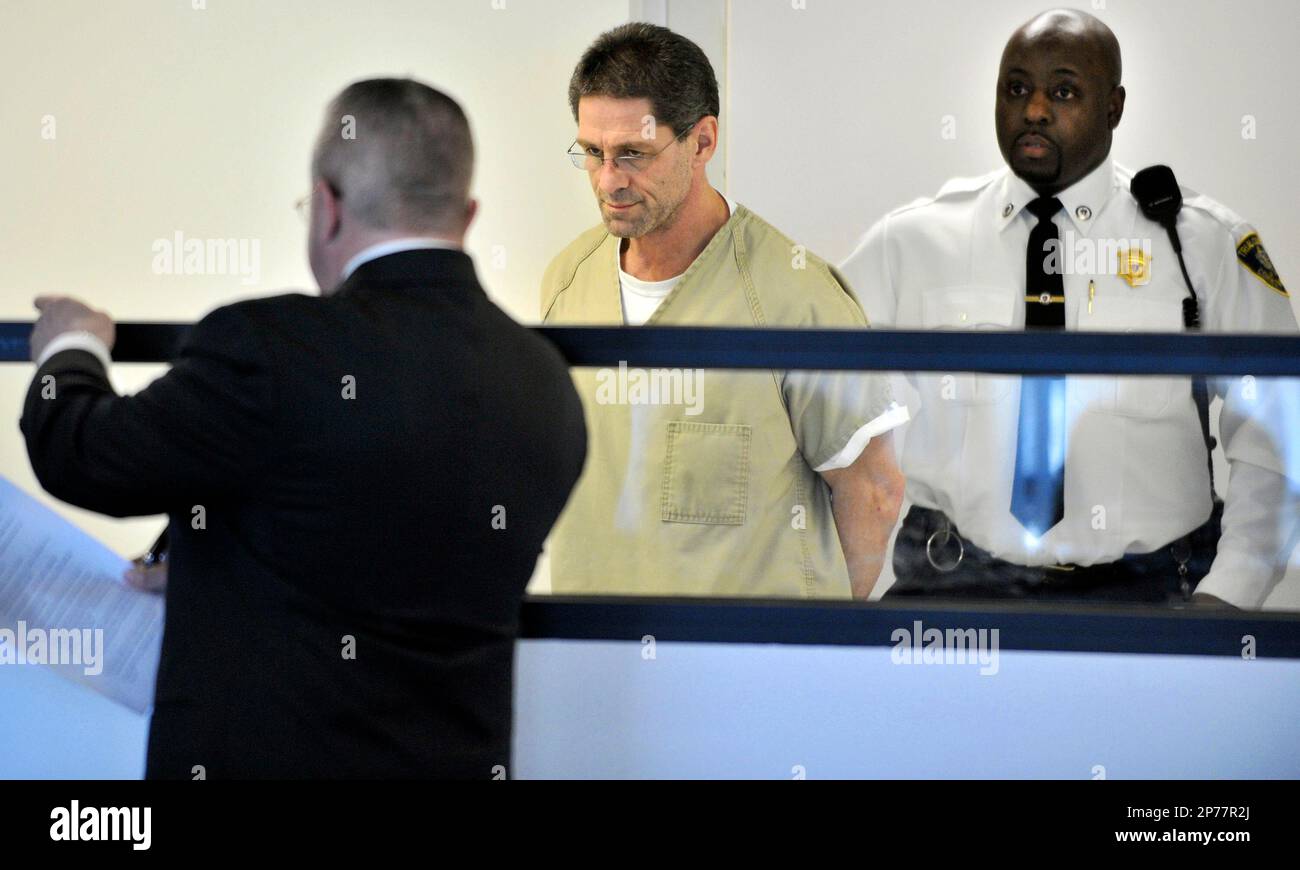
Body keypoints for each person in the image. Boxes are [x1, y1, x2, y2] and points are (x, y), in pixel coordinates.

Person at [21, 78, 587, 777]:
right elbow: (387, 543)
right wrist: (215, 562)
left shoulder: (271, 345)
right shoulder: (543, 384)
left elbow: (80, 452)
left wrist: (69, 346)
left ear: (325, 207)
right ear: (467, 214)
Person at [840, 9, 1299, 607]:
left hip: (1148, 599)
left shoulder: (1197, 242)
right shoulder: (913, 243)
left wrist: (1228, 595)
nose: (1033, 110)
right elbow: (818, 405)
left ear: (1114, 107)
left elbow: (1277, 433)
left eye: (1063, 91)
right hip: (953, 589)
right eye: (1015, 88)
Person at [542, 23, 908, 599]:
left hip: (743, 672)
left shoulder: (793, 298)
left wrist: (818, 644)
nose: (608, 181)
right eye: (593, 153)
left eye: (633, 154)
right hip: (592, 660)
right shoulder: (568, 281)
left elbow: (875, 494)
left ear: (703, 141)